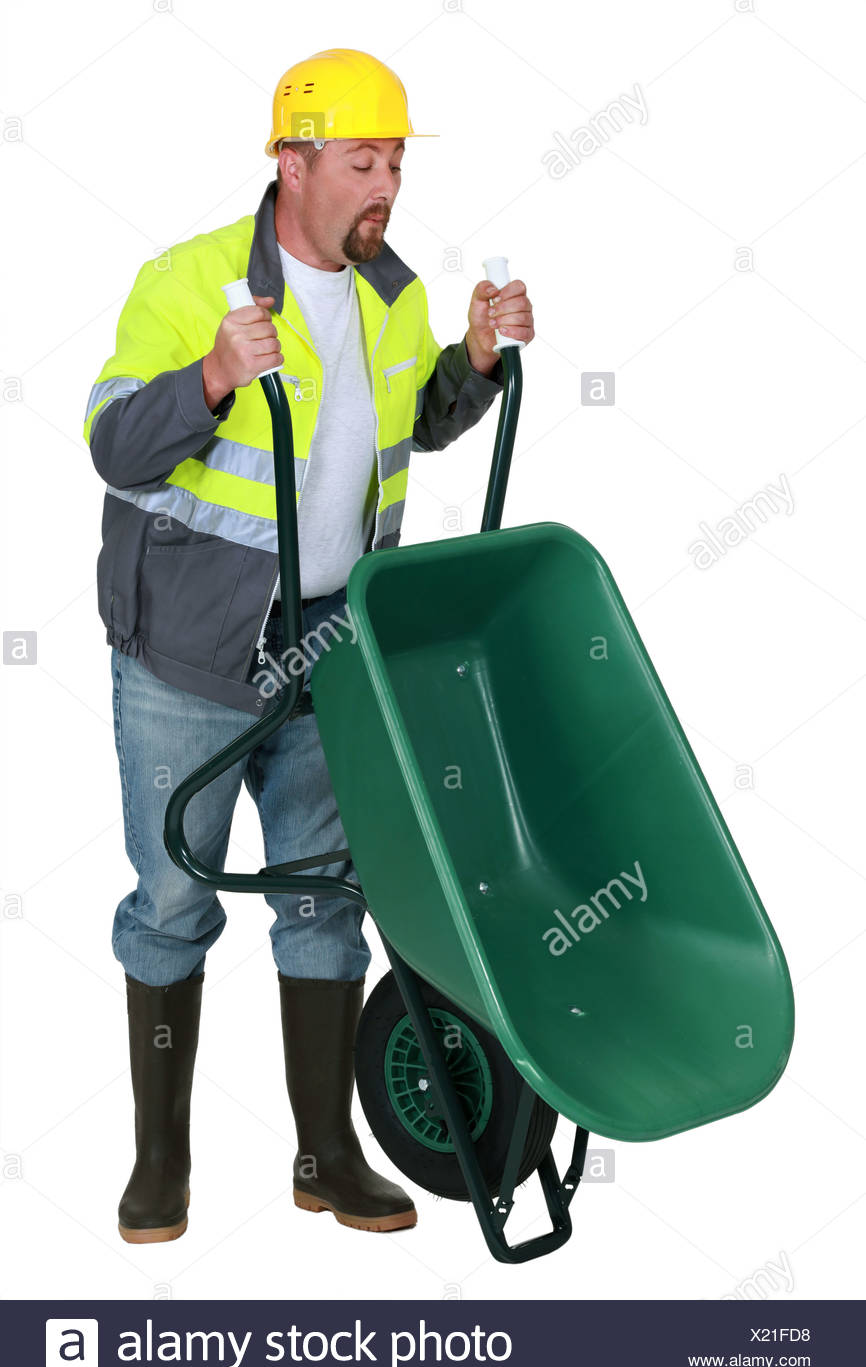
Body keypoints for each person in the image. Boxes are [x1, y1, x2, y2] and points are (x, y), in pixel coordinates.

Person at [83, 47, 535, 1245]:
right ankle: (159, 1160)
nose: (383, 183)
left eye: (392, 160)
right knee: (172, 901)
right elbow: (115, 445)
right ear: (291, 162)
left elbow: (406, 431)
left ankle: (327, 1155)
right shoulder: (186, 282)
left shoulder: (392, 291)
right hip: (186, 659)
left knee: (327, 899)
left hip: (332, 650)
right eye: (359, 160)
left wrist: (476, 366)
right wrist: (212, 376)